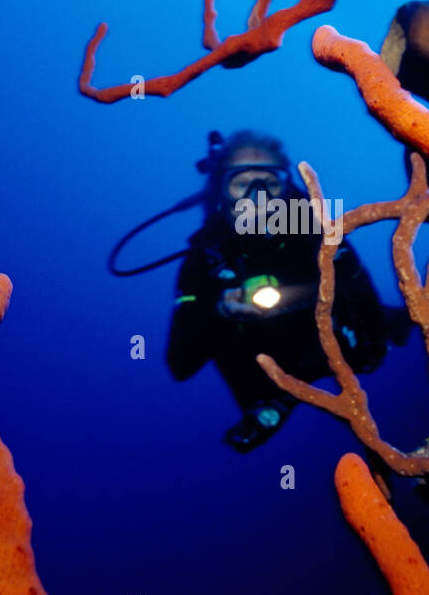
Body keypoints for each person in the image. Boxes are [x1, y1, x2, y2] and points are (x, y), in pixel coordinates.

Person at [165, 130, 399, 451]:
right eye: (241, 183)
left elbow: (359, 300)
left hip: (335, 350)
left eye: (270, 183)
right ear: (220, 191)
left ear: (288, 189)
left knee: (389, 327)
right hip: (265, 386)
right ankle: (275, 402)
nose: (257, 198)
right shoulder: (204, 260)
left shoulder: (315, 232)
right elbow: (180, 366)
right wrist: (219, 312)